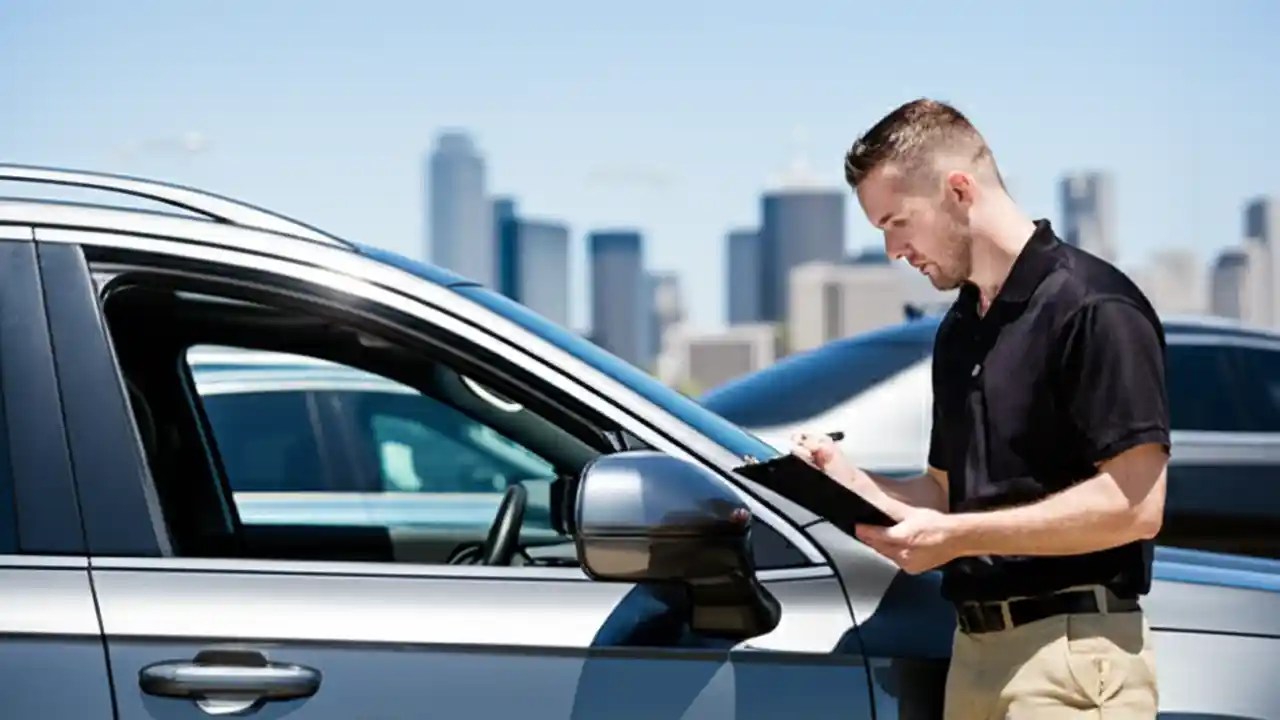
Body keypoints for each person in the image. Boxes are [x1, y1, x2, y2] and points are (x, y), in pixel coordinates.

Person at [792, 98, 1169, 719]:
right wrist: (846, 480)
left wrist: (956, 536)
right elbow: (945, 496)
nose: (893, 249)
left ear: (958, 190)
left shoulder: (1095, 306)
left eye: (897, 222)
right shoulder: (961, 328)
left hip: (1072, 660)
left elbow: (1137, 505)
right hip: (971, 657)